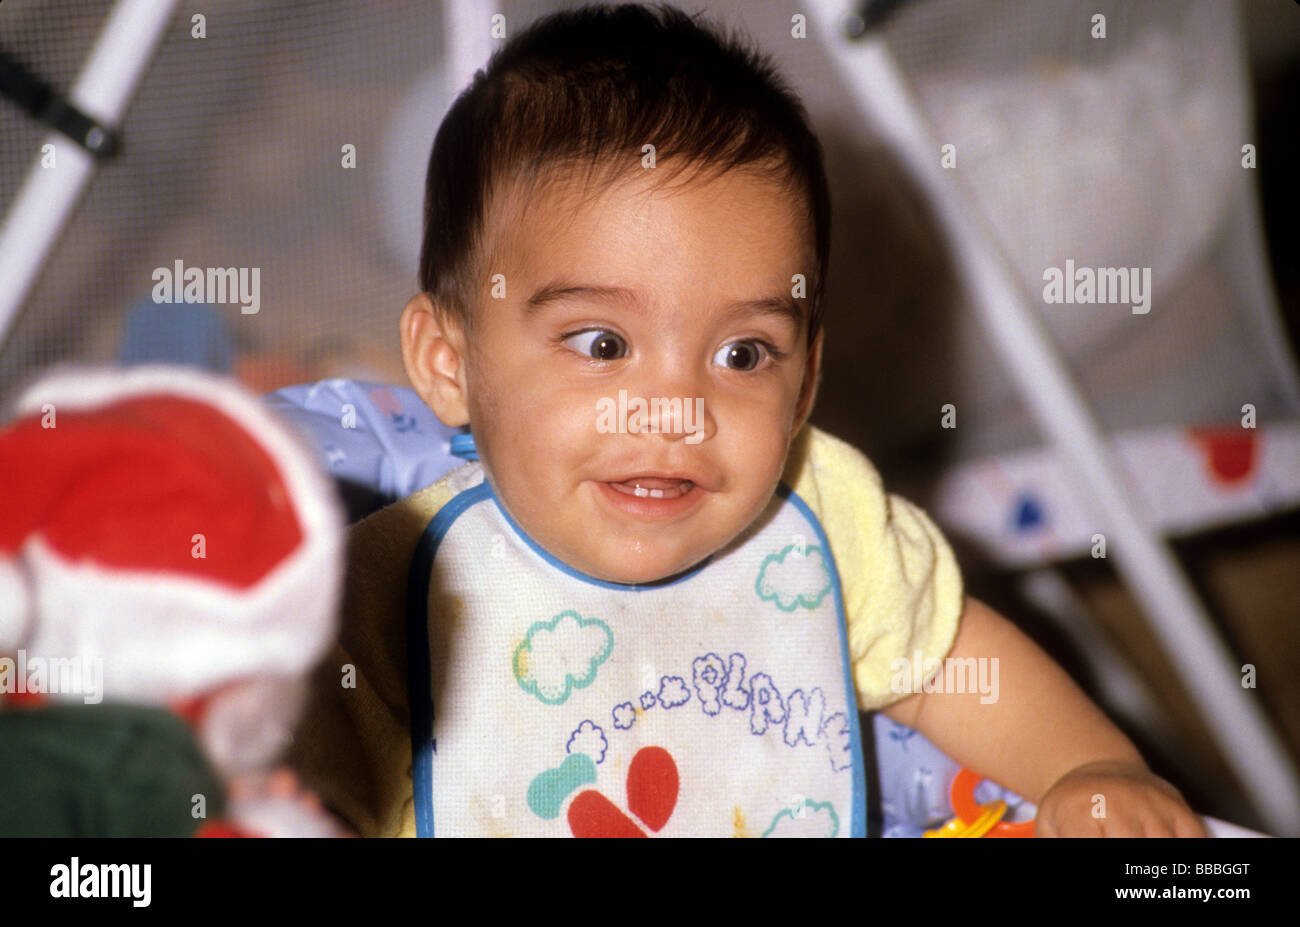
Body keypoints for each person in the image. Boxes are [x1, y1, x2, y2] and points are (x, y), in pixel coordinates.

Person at [289, 2, 1205, 837]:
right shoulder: (398, 588)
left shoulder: (820, 523)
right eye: (603, 344)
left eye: (743, 354)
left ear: (804, 386)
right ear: (452, 365)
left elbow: (947, 660)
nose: (677, 411)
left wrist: (1089, 764)